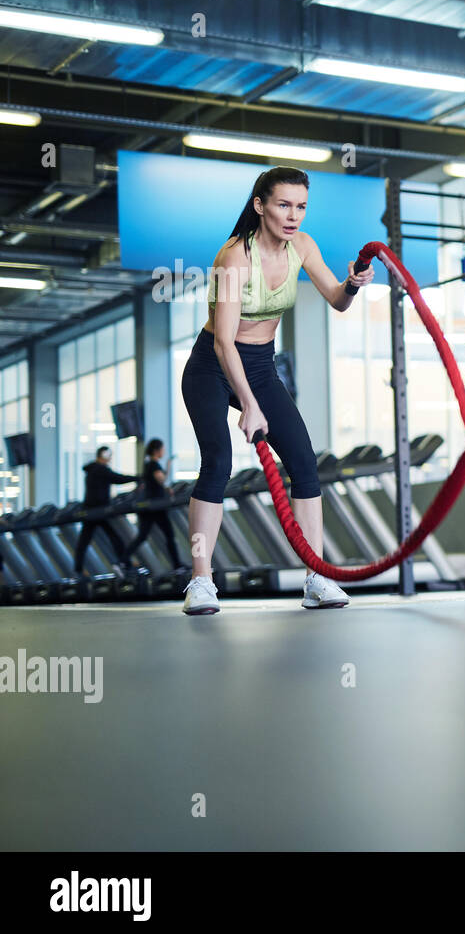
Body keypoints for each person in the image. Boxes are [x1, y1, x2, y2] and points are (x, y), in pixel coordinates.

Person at [180, 166, 374, 615]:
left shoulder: (302, 247)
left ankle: (316, 576)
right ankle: (201, 581)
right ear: (260, 205)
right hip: (212, 365)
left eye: (301, 206)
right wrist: (247, 405)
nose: (293, 216)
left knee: (305, 464)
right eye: (283, 205)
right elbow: (224, 341)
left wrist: (352, 284)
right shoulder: (234, 257)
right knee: (218, 463)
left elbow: (337, 300)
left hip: (262, 367)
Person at [121, 438, 184, 571]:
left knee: (143, 536)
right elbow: (161, 479)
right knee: (169, 535)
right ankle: (177, 564)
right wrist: (168, 465)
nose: (164, 451)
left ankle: (122, 560)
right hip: (155, 506)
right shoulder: (154, 464)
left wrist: (166, 488)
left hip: (150, 505)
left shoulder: (148, 463)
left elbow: (155, 483)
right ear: (157, 450)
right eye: (163, 449)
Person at [73, 445, 136, 575]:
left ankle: (78, 569)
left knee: (85, 541)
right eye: (110, 456)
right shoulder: (100, 469)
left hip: (91, 510)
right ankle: (125, 563)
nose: (111, 459)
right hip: (98, 510)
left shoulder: (92, 469)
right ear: (104, 456)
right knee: (114, 538)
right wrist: (138, 478)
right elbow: (117, 478)